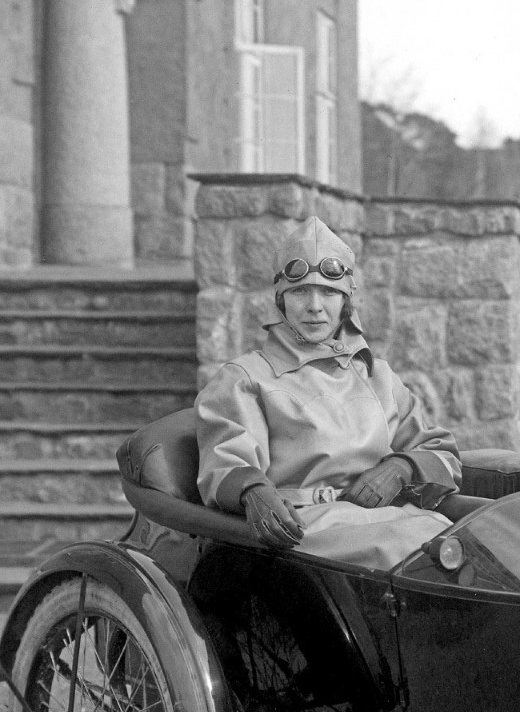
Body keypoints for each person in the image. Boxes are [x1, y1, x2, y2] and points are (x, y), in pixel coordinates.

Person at [196, 218, 461, 571]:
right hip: (299, 532)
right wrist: (252, 492)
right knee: (420, 553)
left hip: (384, 518)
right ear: (281, 300)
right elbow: (226, 464)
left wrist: (401, 467)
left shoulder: (377, 376)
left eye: (329, 292)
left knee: (462, 543)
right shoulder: (244, 378)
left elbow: (442, 453)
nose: (315, 306)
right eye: (300, 292)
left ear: (346, 300)